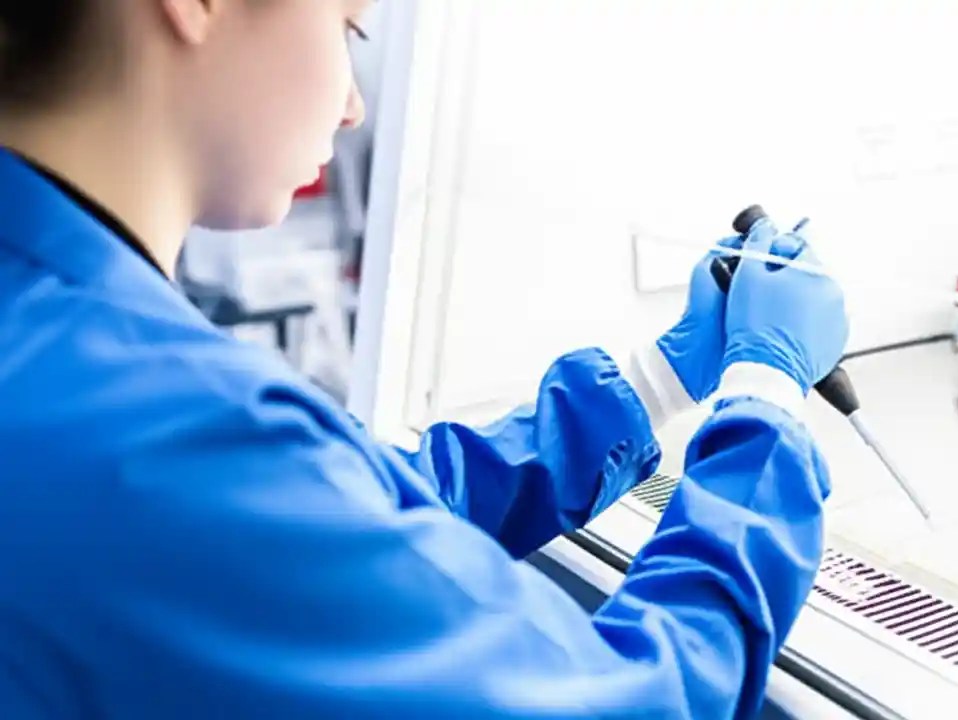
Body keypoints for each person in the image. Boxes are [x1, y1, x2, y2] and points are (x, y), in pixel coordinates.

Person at [0, 2, 850, 718]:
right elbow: (636, 701)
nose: (351, 107)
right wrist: (765, 398)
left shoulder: (65, 351)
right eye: (348, 28)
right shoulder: (159, 436)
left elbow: (336, 519)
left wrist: (662, 377)